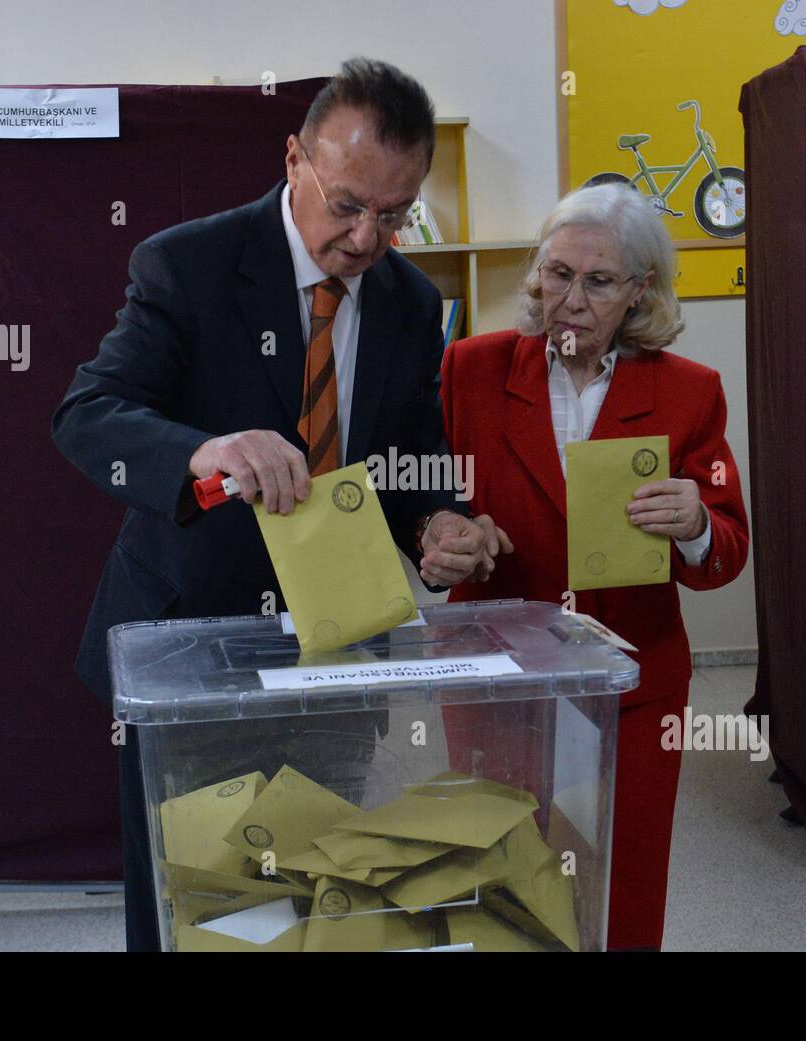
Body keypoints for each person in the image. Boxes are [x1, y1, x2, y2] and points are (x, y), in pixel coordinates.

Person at [52, 58, 501, 951]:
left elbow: (412, 460)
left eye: (394, 212)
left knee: (315, 899)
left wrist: (440, 520)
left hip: (337, 653)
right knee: (197, 907)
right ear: (295, 158)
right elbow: (87, 415)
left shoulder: (412, 303)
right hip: (192, 648)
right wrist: (205, 451)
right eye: (347, 204)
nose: (369, 237)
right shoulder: (189, 263)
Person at [439, 182, 749, 951]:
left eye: (599, 281)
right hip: (497, 677)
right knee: (505, 877)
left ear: (641, 289)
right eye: (555, 273)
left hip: (635, 683)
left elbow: (728, 551)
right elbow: (426, 507)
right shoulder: (467, 370)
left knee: (626, 883)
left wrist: (694, 528)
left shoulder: (690, 392)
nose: (569, 299)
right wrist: (444, 537)